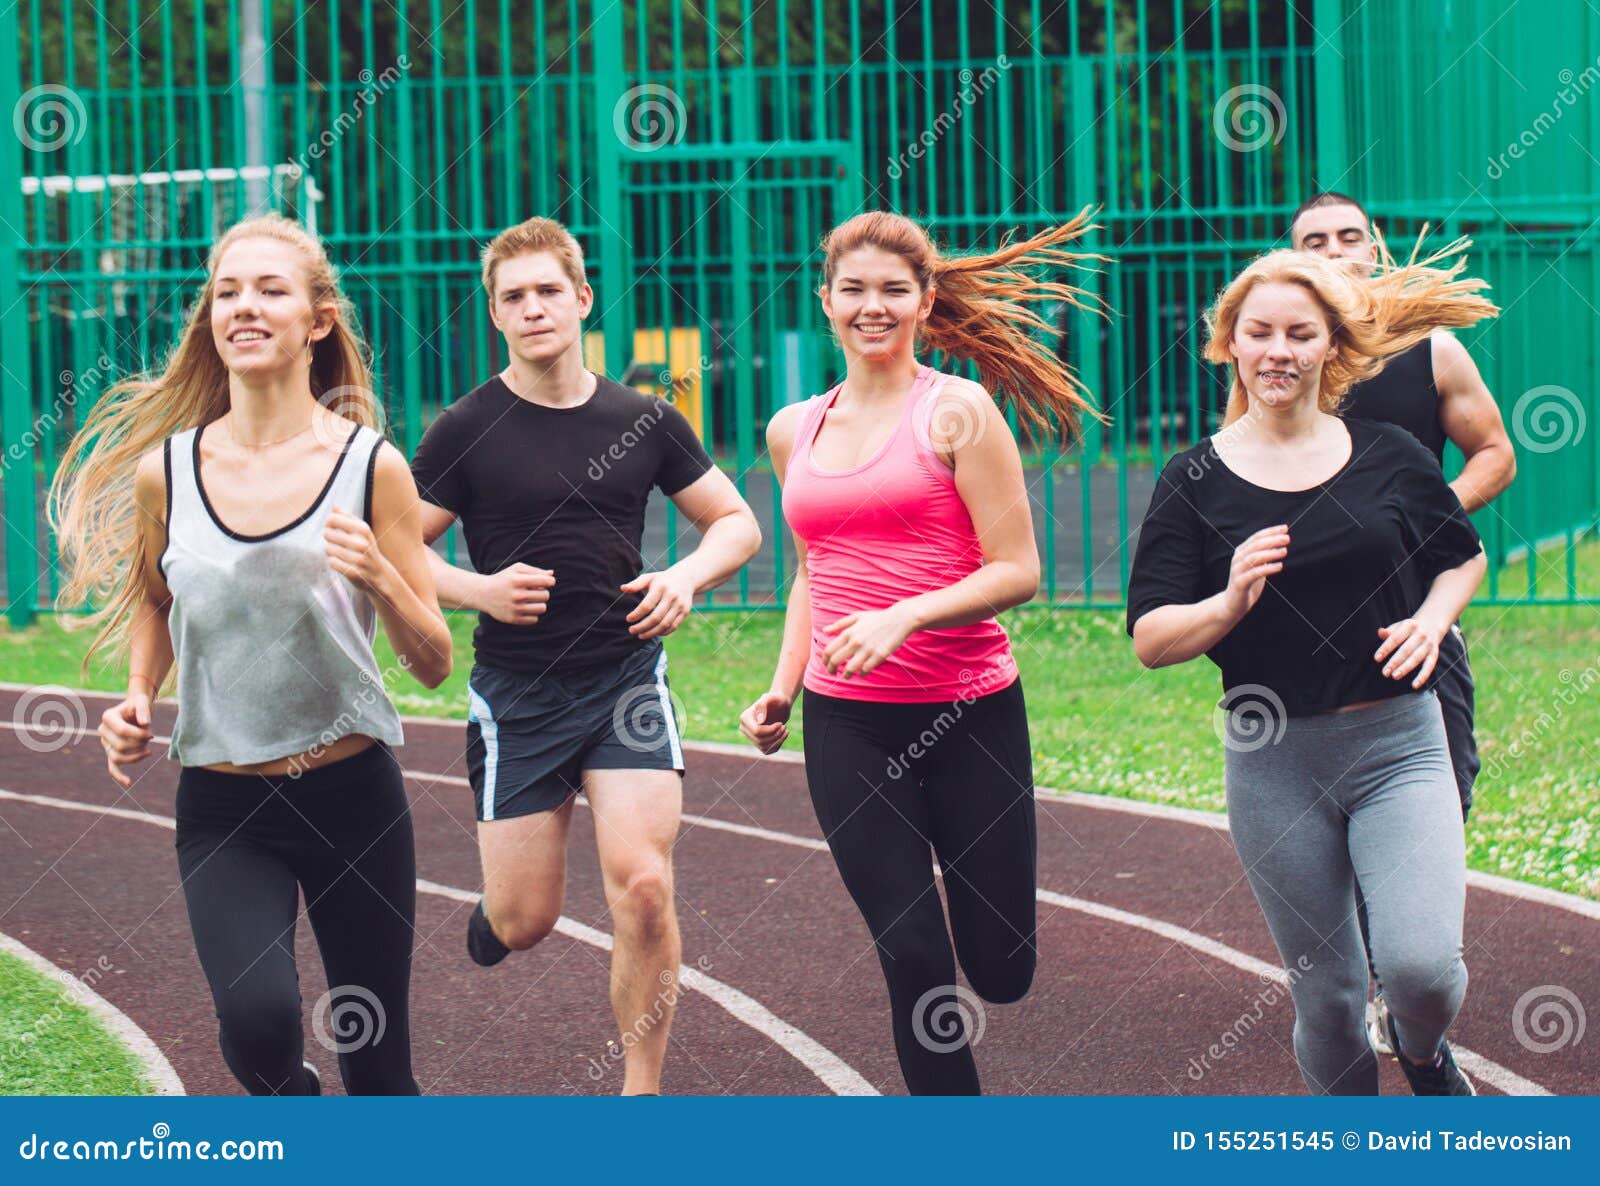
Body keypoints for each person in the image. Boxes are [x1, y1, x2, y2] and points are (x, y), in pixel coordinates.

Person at [51, 213, 453, 1096]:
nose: (244, 305)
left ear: (317, 321)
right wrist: (134, 695)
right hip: (225, 806)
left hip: (354, 798)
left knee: (381, 1072)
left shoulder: (371, 467)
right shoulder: (168, 470)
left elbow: (434, 663)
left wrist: (385, 579)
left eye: (271, 289)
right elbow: (157, 597)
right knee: (259, 1027)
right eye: (227, 291)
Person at [739, 209, 1103, 1094]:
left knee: (1002, 967)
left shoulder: (959, 413)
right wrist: (784, 687)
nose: (874, 306)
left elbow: (1018, 570)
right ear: (824, 301)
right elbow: (812, 574)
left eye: (893, 291)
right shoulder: (795, 429)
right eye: (854, 290)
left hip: (969, 710)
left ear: (926, 301)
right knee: (910, 950)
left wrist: (907, 616)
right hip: (847, 723)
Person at [1127, 245, 1496, 1095]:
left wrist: (1433, 621)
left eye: (1300, 333)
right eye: (1258, 333)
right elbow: (1151, 637)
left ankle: (1424, 1049)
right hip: (1274, 759)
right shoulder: (1192, 479)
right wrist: (1225, 605)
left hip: (1399, 744)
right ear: (1230, 344)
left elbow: (1461, 556)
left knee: (1422, 969)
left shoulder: (1391, 452)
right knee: (1327, 999)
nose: (1278, 351)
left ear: (1332, 346)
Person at [409, 216, 761, 1096]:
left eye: (547, 292)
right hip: (517, 693)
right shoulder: (464, 429)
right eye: (513, 297)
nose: (533, 309)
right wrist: (476, 590)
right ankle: (496, 920)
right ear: (494, 315)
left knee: (643, 883)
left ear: (582, 299)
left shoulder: (644, 418)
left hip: (624, 679)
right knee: (527, 919)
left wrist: (685, 577)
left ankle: (640, 1099)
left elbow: (738, 523)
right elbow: (394, 550)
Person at [1291, 192, 1518, 1053]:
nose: (1337, 249)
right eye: (1316, 240)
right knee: (1317, 819)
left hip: (1422, 620)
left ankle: (1402, 973)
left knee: (1439, 799)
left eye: (1351, 236)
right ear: (1293, 260)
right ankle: (1354, 975)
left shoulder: (1430, 351)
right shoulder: (1280, 361)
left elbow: (1496, 450)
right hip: (1306, 643)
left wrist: (1424, 519)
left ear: (1376, 250)